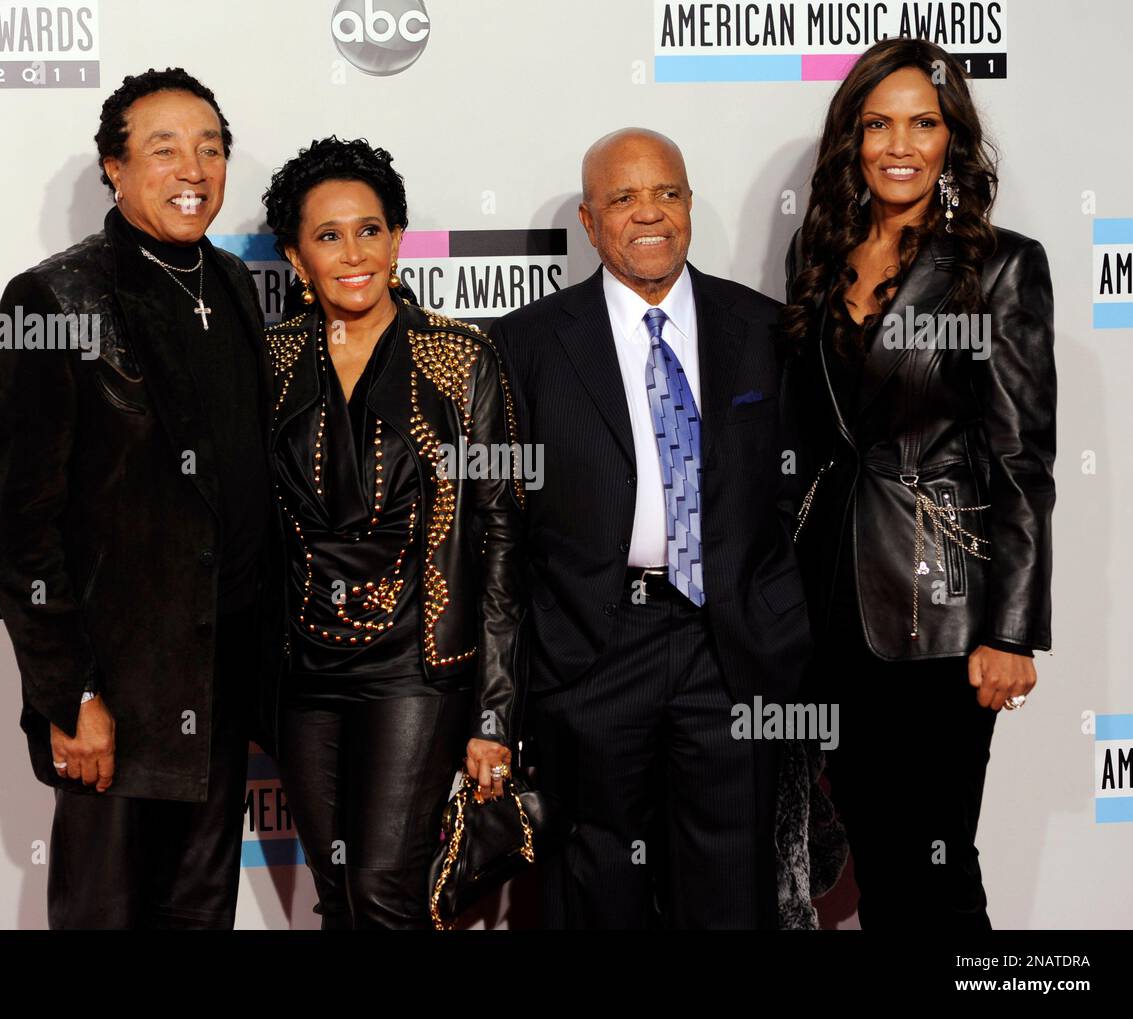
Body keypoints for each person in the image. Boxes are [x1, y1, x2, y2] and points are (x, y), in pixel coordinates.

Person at [0, 67, 278, 929]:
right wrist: (67, 695)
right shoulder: (53, 298)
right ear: (114, 167)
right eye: (165, 149)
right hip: (117, 695)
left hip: (218, 687)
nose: (195, 168)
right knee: (104, 917)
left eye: (211, 148)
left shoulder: (230, 285)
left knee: (198, 914)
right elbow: (19, 527)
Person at [491, 128, 811, 928]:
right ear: (592, 224)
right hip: (592, 648)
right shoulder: (526, 343)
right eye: (623, 198)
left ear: (690, 204)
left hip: (728, 648)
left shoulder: (765, 330)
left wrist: (777, 616)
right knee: (597, 889)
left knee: (732, 890)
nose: (650, 214)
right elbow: (502, 518)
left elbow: (797, 492)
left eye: (667, 192)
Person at [781, 37, 1055, 929]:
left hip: (943, 610)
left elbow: (1021, 459)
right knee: (879, 860)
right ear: (851, 140)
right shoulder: (818, 256)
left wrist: (1011, 629)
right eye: (877, 124)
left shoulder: (1000, 267)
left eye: (923, 123)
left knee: (934, 860)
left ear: (952, 141)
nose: (899, 144)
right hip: (832, 607)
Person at [261, 136, 525, 929]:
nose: (353, 253)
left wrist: (494, 713)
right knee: (340, 894)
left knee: (384, 891)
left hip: (416, 668)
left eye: (370, 229)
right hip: (301, 671)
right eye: (329, 235)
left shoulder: (461, 358)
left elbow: (503, 538)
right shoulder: (267, 362)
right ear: (294, 255)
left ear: (398, 239)